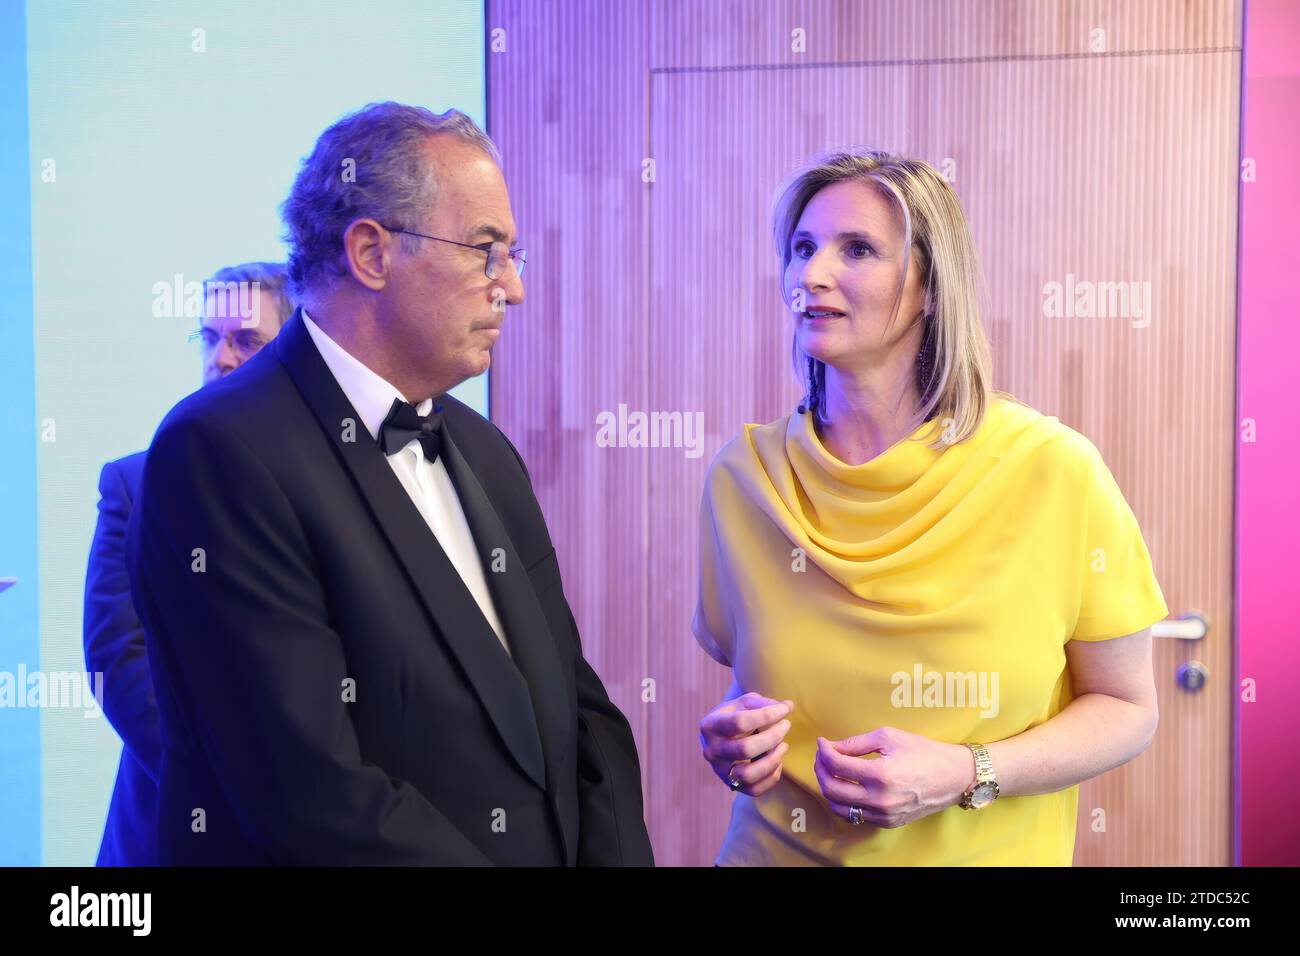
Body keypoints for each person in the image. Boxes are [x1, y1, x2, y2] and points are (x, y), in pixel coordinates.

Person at [128, 102, 654, 866]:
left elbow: (581, 716)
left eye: (512, 254)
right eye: (485, 250)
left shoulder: (483, 449)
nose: (512, 286)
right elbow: (309, 795)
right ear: (371, 253)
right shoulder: (218, 453)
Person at [693, 150, 1167, 866]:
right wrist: (734, 744)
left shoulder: (1053, 470)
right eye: (802, 248)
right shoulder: (743, 478)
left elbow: (1128, 710)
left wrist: (965, 772)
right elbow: (760, 686)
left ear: (930, 289)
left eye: (856, 249)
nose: (811, 274)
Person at [84, 261, 293, 867]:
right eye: (209, 337)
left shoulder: (342, 486)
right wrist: (224, 787)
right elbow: (118, 661)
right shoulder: (134, 482)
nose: (221, 357)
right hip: (166, 833)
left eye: (246, 340)